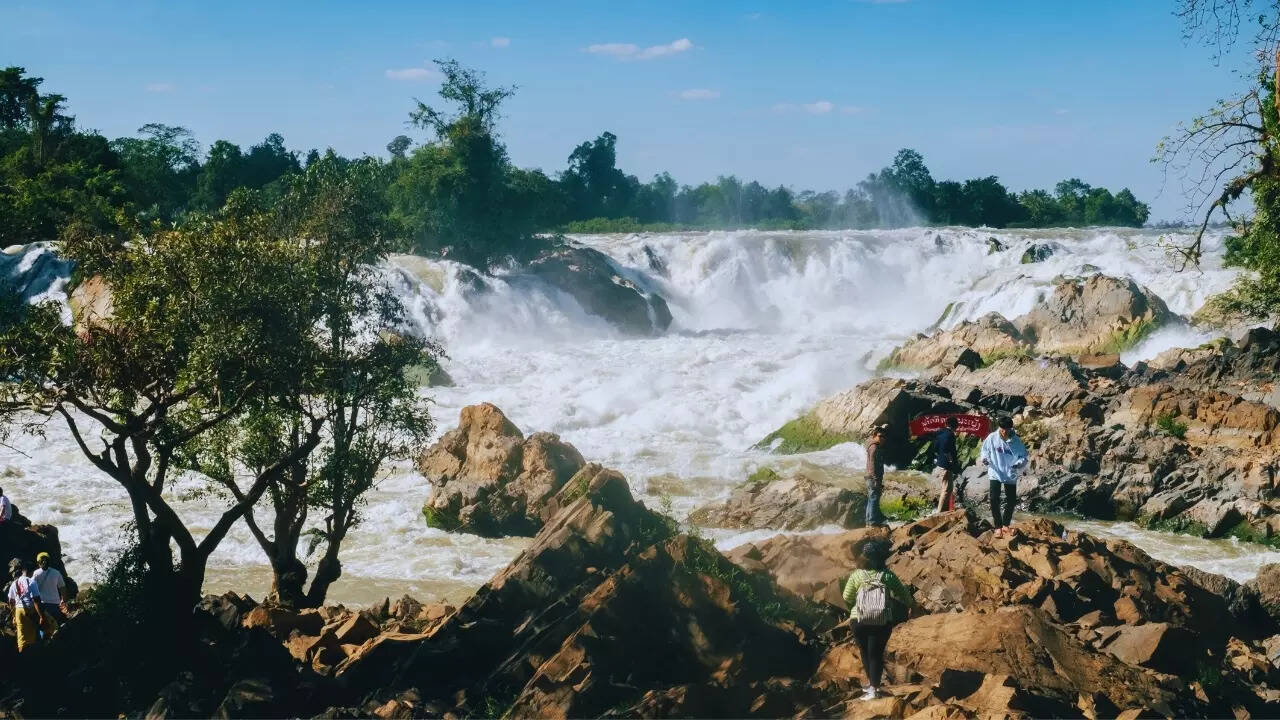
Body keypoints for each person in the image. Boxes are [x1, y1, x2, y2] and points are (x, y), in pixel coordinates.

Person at [842, 540, 911, 700]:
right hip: (881, 621)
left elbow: (846, 596)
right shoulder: (887, 575)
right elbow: (904, 594)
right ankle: (874, 687)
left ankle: (872, 687)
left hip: (858, 620)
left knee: (865, 652)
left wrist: (853, 606)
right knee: (876, 654)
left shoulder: (857, 575)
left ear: (863, 557)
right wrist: (910, 605)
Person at [980, 416, 1028, 538]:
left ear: (1011, 428)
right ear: (999, 427)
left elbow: (1024, 457)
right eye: (1002, 429)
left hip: (1010, 473)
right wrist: (984, 459)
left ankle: (1005, 525)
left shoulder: (1016, 441)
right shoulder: (992, 438)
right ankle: (997, 527)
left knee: (1011, 500)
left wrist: (1019, 464)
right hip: (995, 471)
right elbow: (984, 450)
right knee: (994, 498)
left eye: (1007, 429)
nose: (1004, 432)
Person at [7, 558, 45, 652]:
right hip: (30, 610)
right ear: (31, 571)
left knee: (22, 638)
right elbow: (36, 601)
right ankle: (37, 654)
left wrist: (14, 616)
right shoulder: (31, 582)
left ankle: (22, 656)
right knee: (35, 633)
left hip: (19, 611)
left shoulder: (14, 583)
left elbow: (11, 601)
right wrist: (41, 616)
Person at [33, 552, 67, 635]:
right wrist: (63, 600)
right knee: (57, 627)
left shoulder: (36, 574)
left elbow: (32, 589)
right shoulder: (56, 572)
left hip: (42, 605)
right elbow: (63, 588)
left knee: (44, 628)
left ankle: (45, 644)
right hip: (55, 604)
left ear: (38, 562)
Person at [932, 417, 960, 514]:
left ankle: (945, 510)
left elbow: (935, 449)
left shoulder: (940, 433)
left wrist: (940, 457)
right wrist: (951, 460)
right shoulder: (949, 435)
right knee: (947, 489)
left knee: (948, 488)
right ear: (954, 425)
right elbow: (946, 449)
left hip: (940, 463)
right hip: (946, 465)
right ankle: (940, 512)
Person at [864, 425, 888, 527]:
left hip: (871, 477)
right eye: (880, 436)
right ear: (874, 436)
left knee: (872, 497)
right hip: (873, 477)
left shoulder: (873, 446)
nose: (883, 438)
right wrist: (875, 479)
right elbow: (873, 464)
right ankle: (872, 521)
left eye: (884, 437)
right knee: (873, 497)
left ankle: (871, 519)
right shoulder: (874, 447)